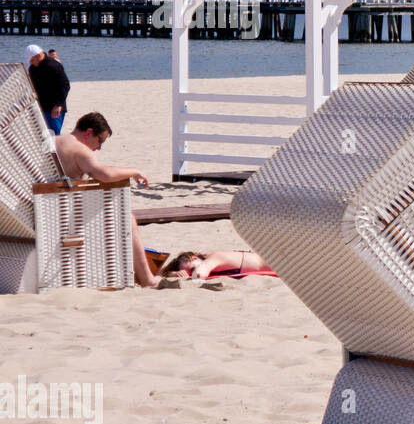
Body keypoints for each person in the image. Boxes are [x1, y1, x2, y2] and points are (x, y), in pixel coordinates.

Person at [53, 112, 159, 287]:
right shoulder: (80, 150)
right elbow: (104, 174)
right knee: (128, 219)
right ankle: (147, 279)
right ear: (89, 132)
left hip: (46, 206)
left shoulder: (55, 141)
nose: (99, 147)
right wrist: (134, 171)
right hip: (64, 214)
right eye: (100, 141)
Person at [26, 44, 70, 134]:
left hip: (55, 108)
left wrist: (58, 104)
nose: (30, 62)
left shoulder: (54, 65)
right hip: (40, 108)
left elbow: (65, 85)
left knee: (54, 136)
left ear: (38, 55)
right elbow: (32, 87)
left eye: (32, 60)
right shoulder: (32, 69)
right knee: (42, 137)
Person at [160, 250, 273, 279]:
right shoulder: (208, 260)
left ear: (195, 258)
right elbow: (163, 272)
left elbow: (199, 276)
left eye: (192, 268)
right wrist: (173, 274)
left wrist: (178, 276)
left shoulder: (214, 258)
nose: (190, 273)